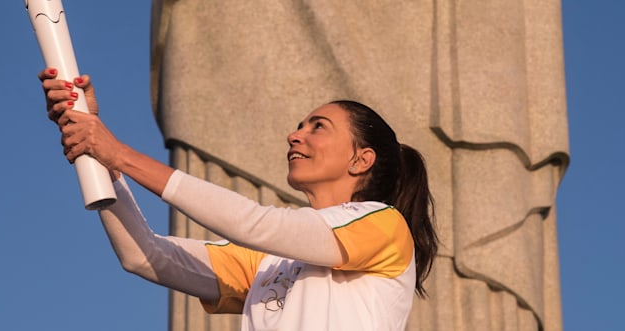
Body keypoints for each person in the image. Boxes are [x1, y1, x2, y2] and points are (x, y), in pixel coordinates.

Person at [40, 68, 439, 330]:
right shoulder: (271, 264)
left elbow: (257, 224)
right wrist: (98, 157)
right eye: (300, 125)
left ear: (361, 159)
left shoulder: (384, 226)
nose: (295, 135)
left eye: (319, 127)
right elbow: (145, 256)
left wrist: (121, 154)